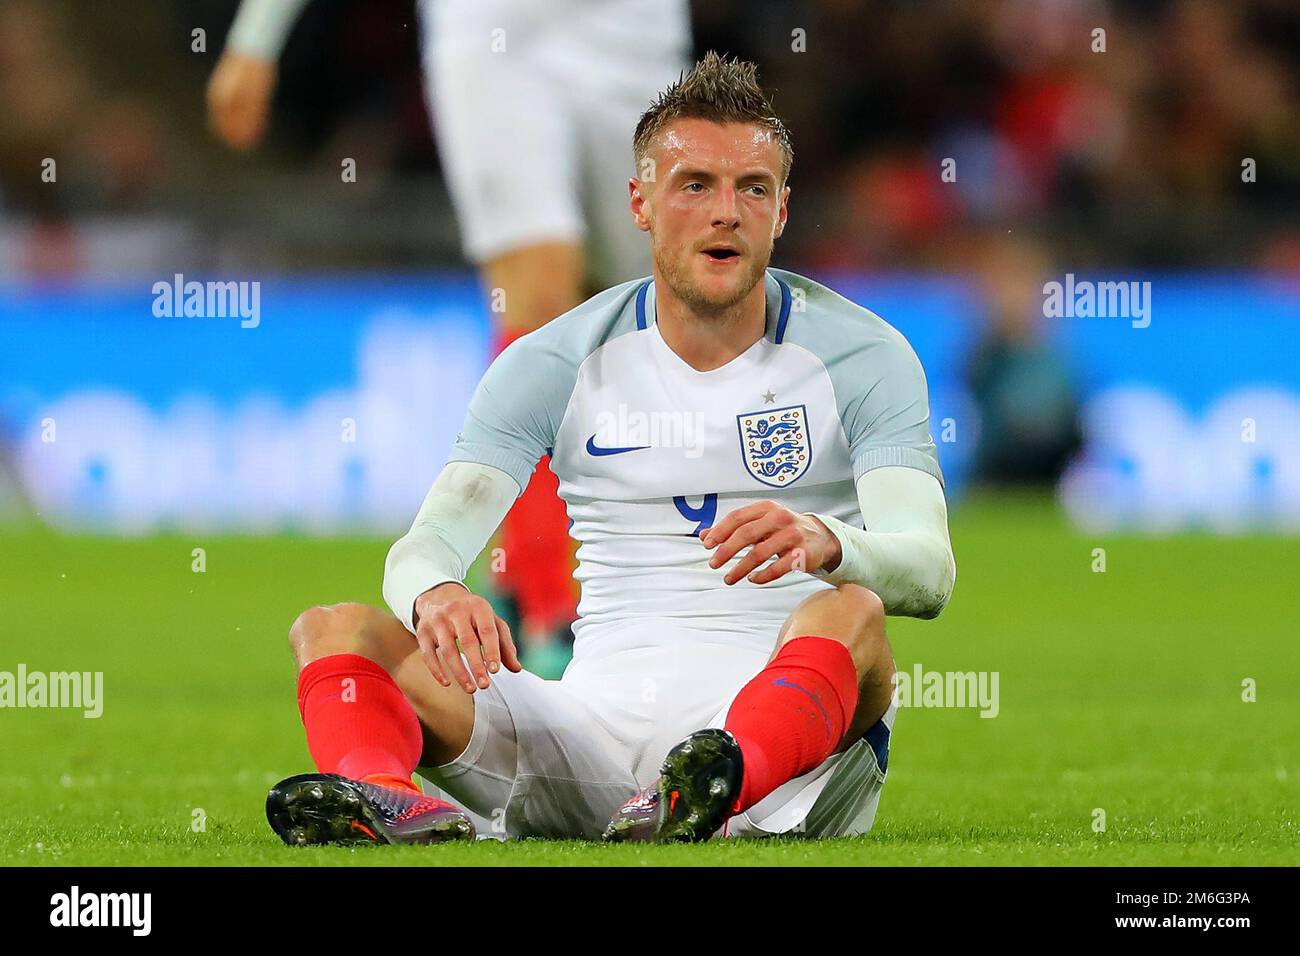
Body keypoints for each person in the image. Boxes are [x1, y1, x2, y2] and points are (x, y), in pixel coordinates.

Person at [265, 53, 956, 845]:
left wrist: (832, 541)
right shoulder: (554, 359)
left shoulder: (864, 356)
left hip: (790, 759)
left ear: (783, 209)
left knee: (854, 611)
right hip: (590, 739)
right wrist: (437, 595)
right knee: (334, 629)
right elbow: (421, 550)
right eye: (694, 184)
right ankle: (391, 806)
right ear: (640, 202)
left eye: (752, 188)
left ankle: (717, 777)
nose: (725, 212)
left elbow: (929, 571)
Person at [207, 0, 690, 675]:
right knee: (541, 290)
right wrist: (257, 37)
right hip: (492, 31)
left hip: (631, 34)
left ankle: (634, 571)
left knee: (642, 299)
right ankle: (543, 601)